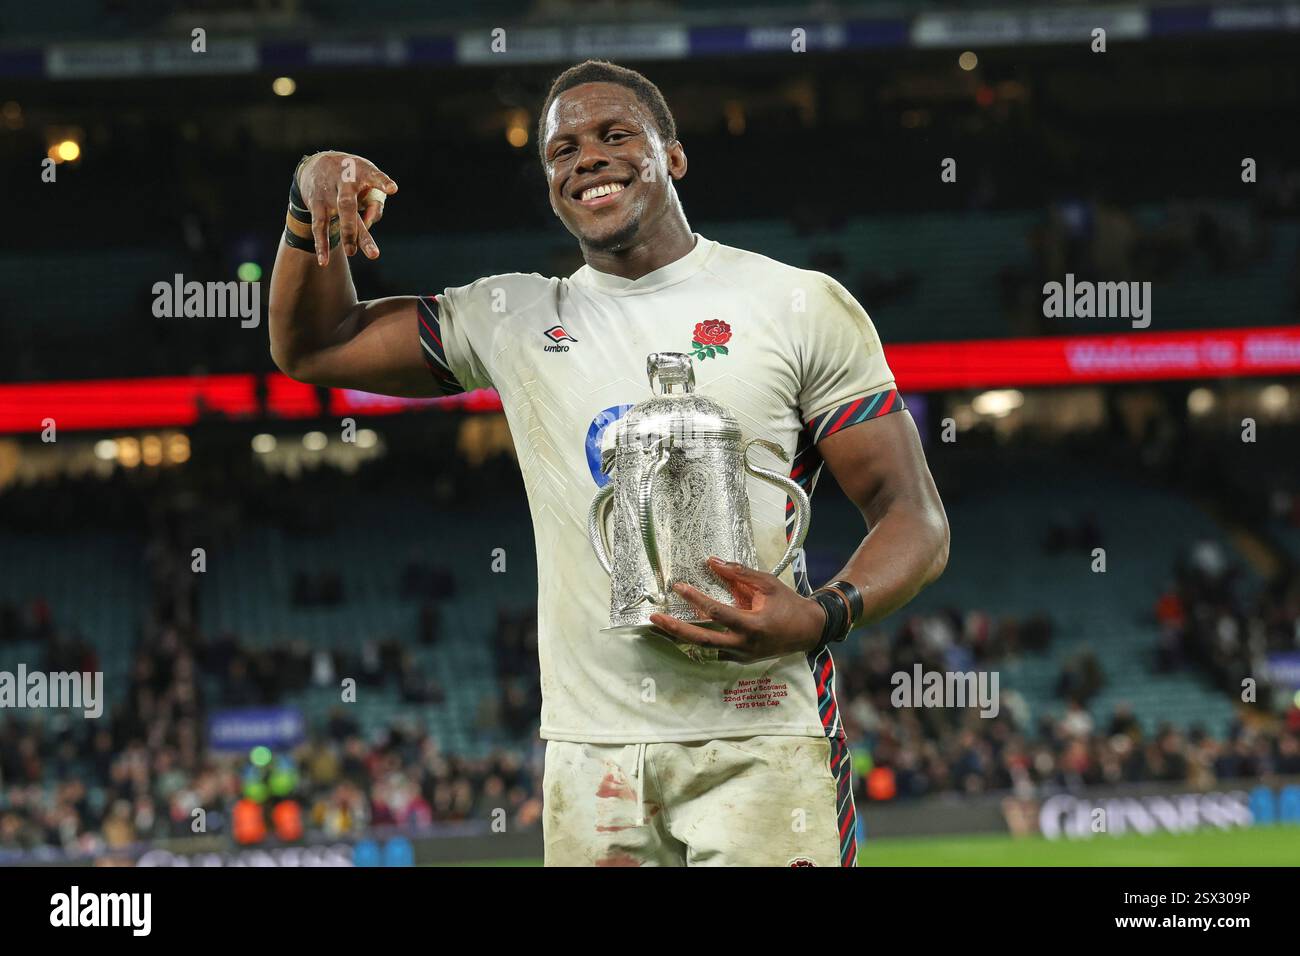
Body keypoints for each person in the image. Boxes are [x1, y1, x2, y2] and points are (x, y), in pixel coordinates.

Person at [268, 59, 949, 866]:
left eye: (614, 135)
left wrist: (823, 613)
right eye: (561, 151)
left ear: (674, 155)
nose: (585, 157)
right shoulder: (513, 313)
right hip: (591, 756)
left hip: (760, 734)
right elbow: (314, 345)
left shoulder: (796, 304)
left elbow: (913, 516)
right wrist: (307, 201)